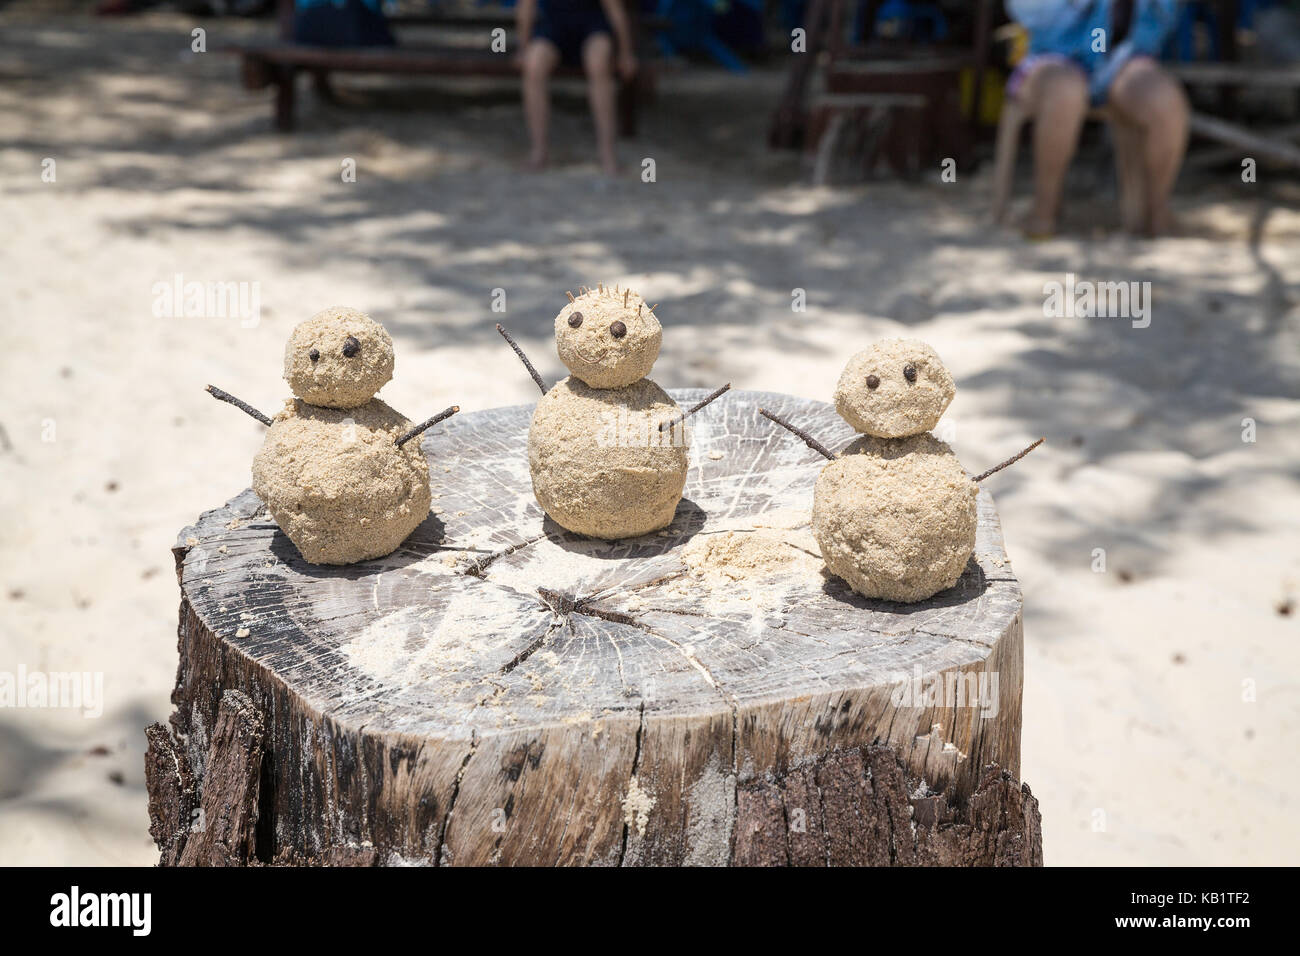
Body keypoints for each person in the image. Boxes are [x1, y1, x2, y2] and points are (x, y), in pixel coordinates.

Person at [1006, 0, 1189, 237]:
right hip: (1055, 55)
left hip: (1124, 60)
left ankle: (1156, 215)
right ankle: (1043, 213)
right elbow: (1025, 11)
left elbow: (1166, 20)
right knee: (1065, 93)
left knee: (1165, 100)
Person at [516, 0, 639, 176]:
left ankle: (608, 154)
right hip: (555, 28)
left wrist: (626, 53)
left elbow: (615, 10)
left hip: (593, 28)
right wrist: (523, 48)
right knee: (534, 65)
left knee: (599, 63)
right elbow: (526, 7)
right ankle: (538, 151)